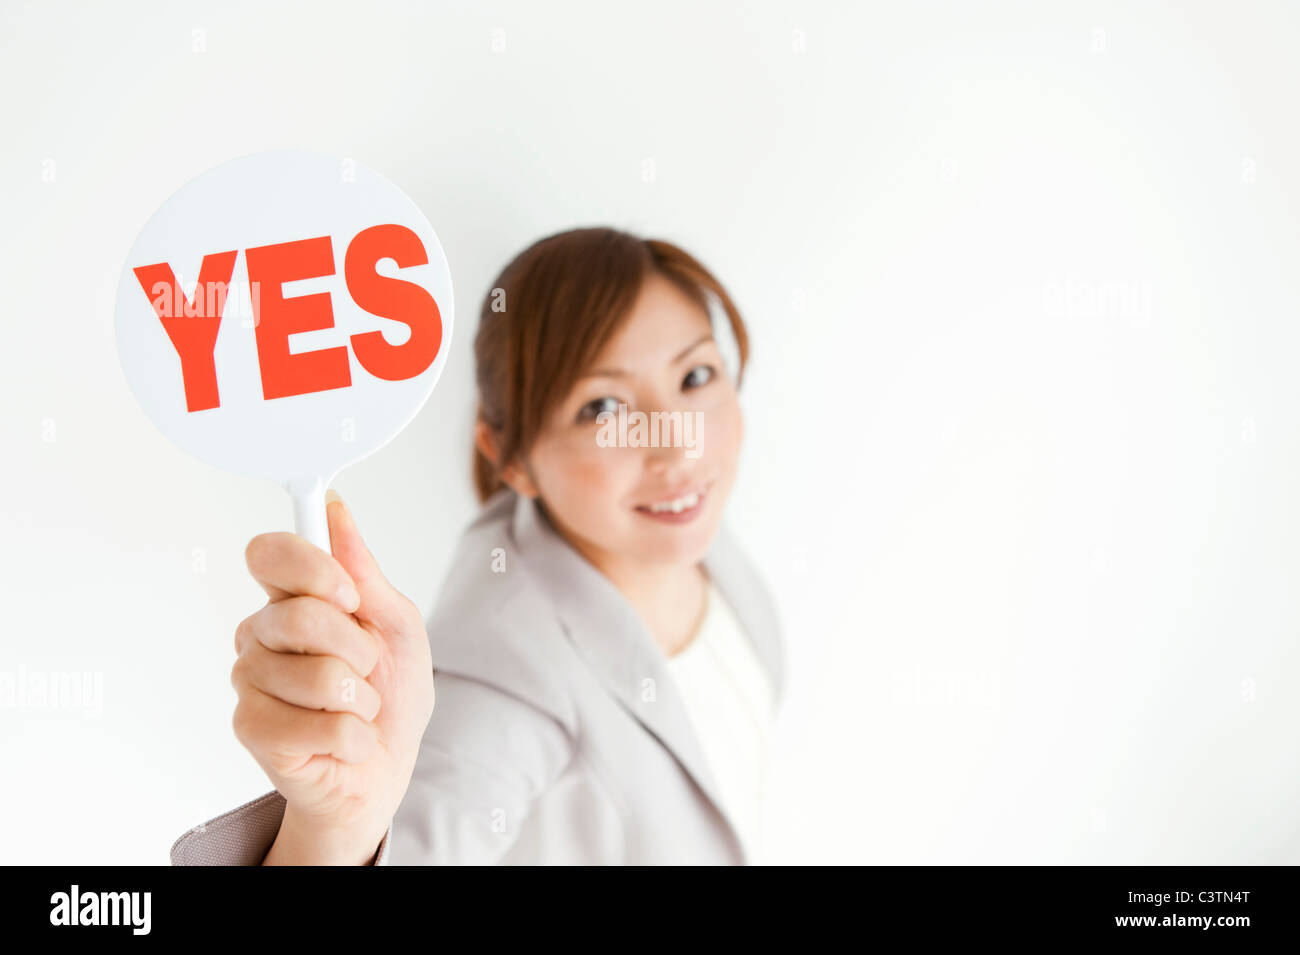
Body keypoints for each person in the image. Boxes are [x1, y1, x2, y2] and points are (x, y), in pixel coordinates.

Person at [170, 226, 787, 865]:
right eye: (603, 408)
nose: (680, 446)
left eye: (695, 375)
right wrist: (334, 831)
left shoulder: (685, 529)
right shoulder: (501, 675)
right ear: (510, 458)